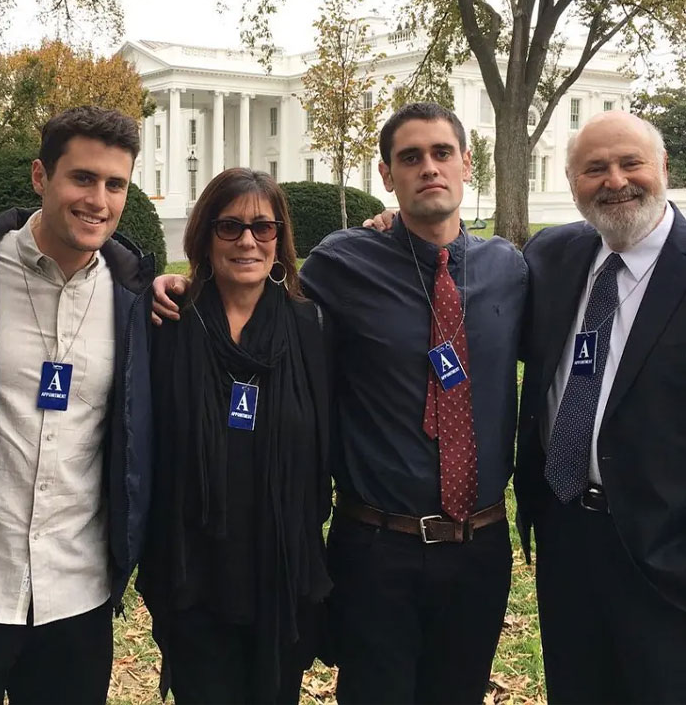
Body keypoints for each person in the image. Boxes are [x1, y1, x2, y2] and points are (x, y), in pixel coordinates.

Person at [153, 101, 526, 704]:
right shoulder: (343, 263)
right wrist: (174, 285)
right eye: (410, 158)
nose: (428, 168)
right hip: (377, 546)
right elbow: (259, 285)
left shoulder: (511, 269)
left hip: (479, 547)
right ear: (386, 175)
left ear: (466, 164)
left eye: (441, 153)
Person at [137, 168, 332, 705]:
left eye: (263, 228)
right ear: (204, 236)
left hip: (282, 580)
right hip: (195, 582)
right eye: (230, 227)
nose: (248, 240)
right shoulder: (167, 324)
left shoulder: (311, 327)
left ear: (279, 239)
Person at [515, 110, 686, 704]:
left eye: (630, 162)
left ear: (663, 168)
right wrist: (391, 230)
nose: (615, 180)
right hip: (566, 533)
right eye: (594, 168)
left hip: (664, 549)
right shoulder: (550, 256)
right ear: (572, 183)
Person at [0, 106, 154, 705]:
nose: (99, 200)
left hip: (76, 596)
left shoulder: (134, 294)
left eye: (115, 185)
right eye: (82, 178)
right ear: (40, 176)